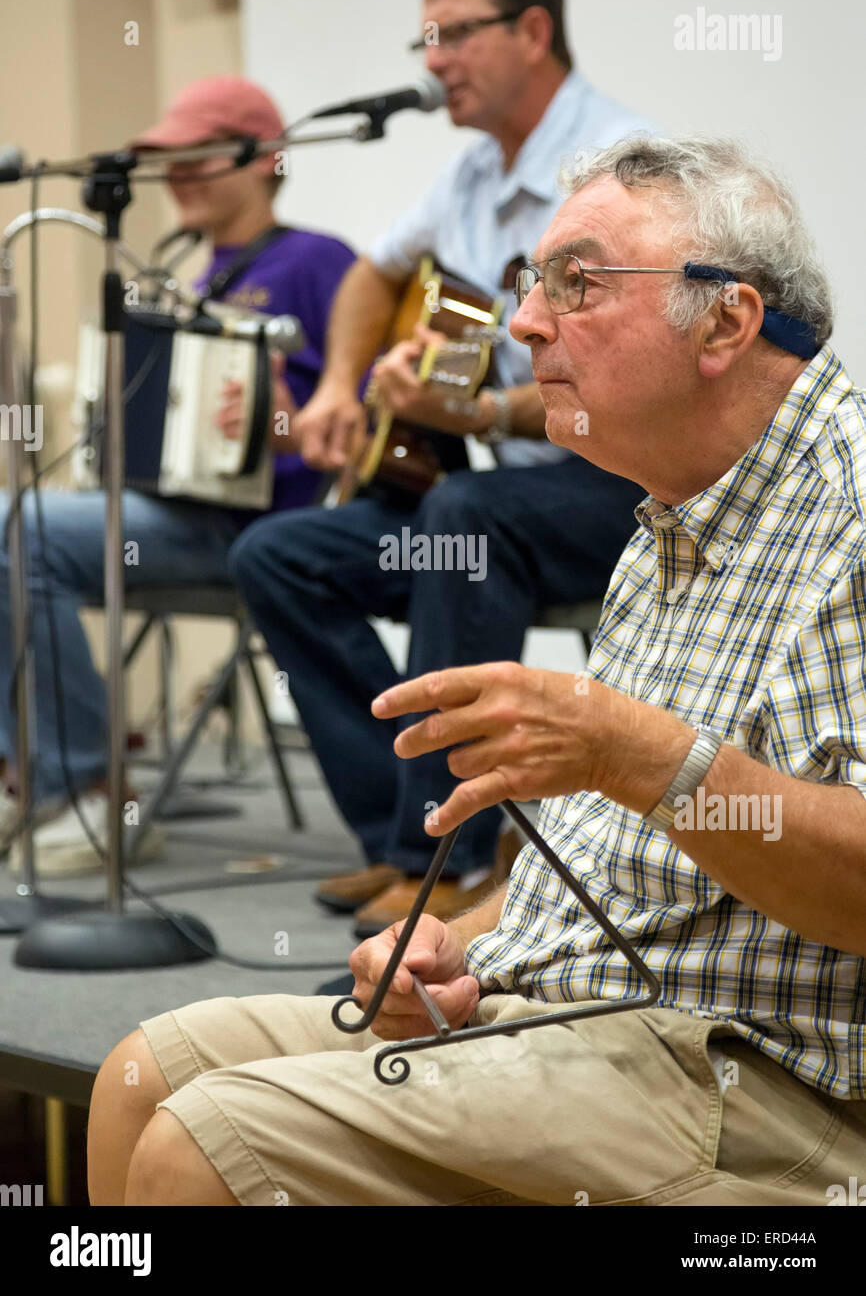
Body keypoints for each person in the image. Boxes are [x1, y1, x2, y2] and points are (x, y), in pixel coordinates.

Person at [88, 133, 866, 1207]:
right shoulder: (662, 523)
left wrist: (633, 752)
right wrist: (446, 945)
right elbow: (599, 860)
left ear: (725, 320)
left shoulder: (852, 512)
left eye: (573, 283)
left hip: (752, 1075)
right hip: (581, 1005)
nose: (524, 323)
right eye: (529, 282)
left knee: (205, 1140)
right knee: (142, 1074)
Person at [229, 0, 659, 936]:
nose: (429, 62)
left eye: (452, 34)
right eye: (424, 39)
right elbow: (376, 274)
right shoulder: (466, 179)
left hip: (614, 488)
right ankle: (413, 831)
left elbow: (624, 383)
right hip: (497, 495)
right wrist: (342, 386)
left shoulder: (619, 173)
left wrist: (475, 411)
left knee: (468, 511)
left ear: (532, 30)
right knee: (281, 554)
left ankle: (442, 855)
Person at [0, 75, 355, 876]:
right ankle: (27, 768)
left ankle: (90, 792)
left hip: (255, 530)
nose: (178, 175)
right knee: (10, 519)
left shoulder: (320, 261)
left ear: (263, 159)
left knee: (20, 528)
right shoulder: (186, 275)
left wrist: (272, 425)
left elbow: (357, 425)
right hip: (163, 510)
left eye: (198, 156)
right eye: (170, 160)